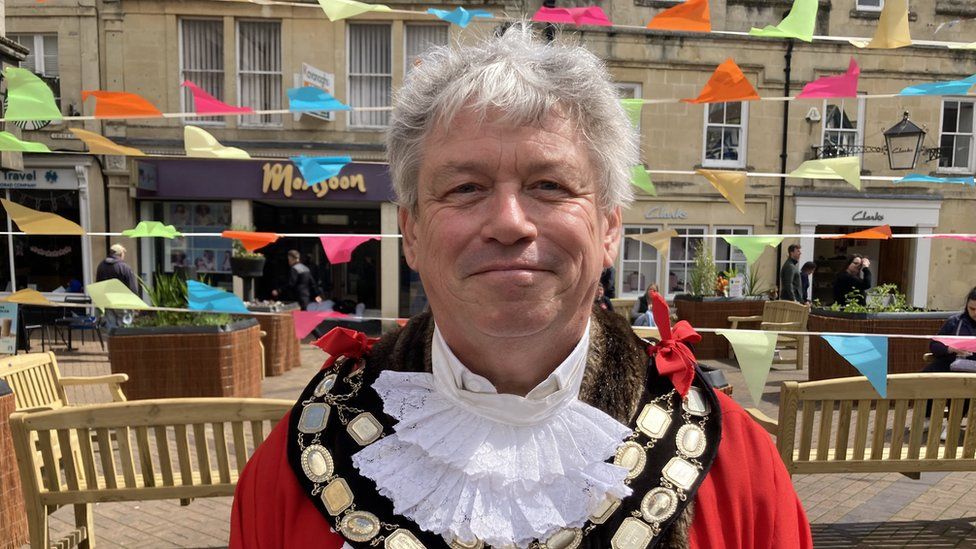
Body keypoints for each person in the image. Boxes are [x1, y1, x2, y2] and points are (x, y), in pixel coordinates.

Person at [231, 26, 811, 549]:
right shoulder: (293, 467)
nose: (510, 223)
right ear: (410, 231)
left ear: (609, 226)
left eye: (550, 185)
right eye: (465, 188)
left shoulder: (738, 465)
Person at [925, 286, 976, 373]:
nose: (975, 313)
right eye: (972, 309)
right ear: (966, 306)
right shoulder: (955, 322)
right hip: (953, 365)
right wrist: (951, 349)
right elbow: (934, 345)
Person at [95, 244, 139, 328]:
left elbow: (98, 285)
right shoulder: (124, 267)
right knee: (124, 327)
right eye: (123, 253)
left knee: (112, 327)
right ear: (120, 254)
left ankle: (113, 340)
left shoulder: (101, 266)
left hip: (107, 302)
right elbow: (132, 286)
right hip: (122, 302)